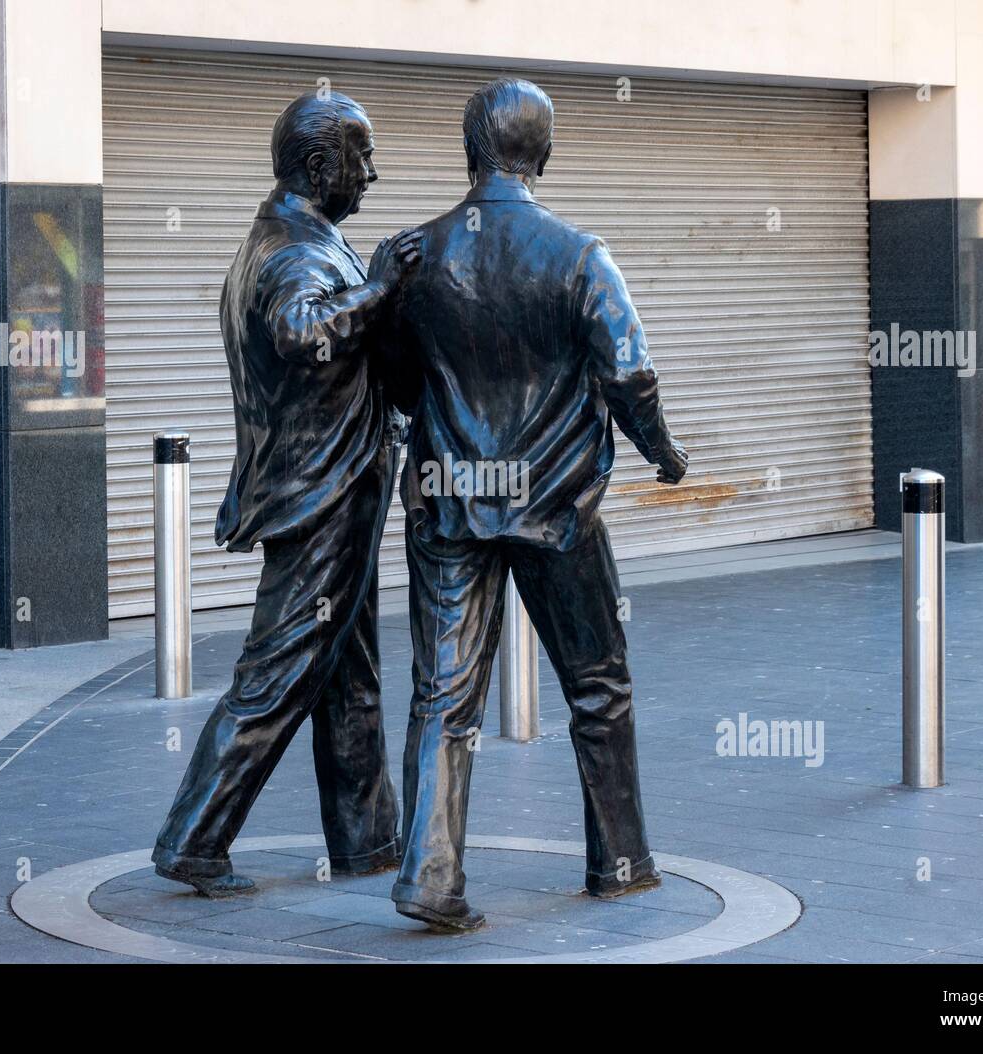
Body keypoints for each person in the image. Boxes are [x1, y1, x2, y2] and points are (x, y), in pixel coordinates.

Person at [375, 77, 689, 930]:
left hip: (450, 505)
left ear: (470, 152)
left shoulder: (414, 256)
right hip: (557, 509)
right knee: (598, 685)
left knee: (441, 694)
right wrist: (661, 451)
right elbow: (630, 371)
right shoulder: (581, 254)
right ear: (541, 154)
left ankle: (430, 877)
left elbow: (398, 386)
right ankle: (619, 860)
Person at [151, 91, 421, 897]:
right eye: (361, 156)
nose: (373, 173)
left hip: (340, 490)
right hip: (321, 500)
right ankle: (193, 837)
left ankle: (368, 840)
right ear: (318, 165)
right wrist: (380, 290)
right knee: (279, 675)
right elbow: (304, 335)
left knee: (350, 674)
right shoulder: (293, 254)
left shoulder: (297, 238)